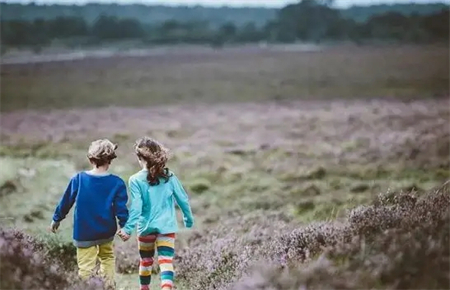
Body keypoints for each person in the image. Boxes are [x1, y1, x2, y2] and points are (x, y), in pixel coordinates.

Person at [117, 137, 194, 290]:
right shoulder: (169, 176)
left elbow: (136, 207)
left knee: (145, 261)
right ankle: (166, 288)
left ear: (140, 158)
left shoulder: (135, 180)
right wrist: (188, 218)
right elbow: (183, 199)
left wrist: (128, 228)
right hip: (167, 227)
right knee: (166, 261)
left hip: (145, 227)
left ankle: (144, 288)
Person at [50, 139, 128, 287]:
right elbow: (121, 209)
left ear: (90, 159)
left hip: (84, 232)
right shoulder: (117, 182)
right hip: (106, 231)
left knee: (85, 266)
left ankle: (86, 286)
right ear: (110, 160)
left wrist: (57, 218)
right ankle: (108, 285)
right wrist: (125, 226)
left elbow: (66, 201)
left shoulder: (79, 179)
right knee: (107, 258)